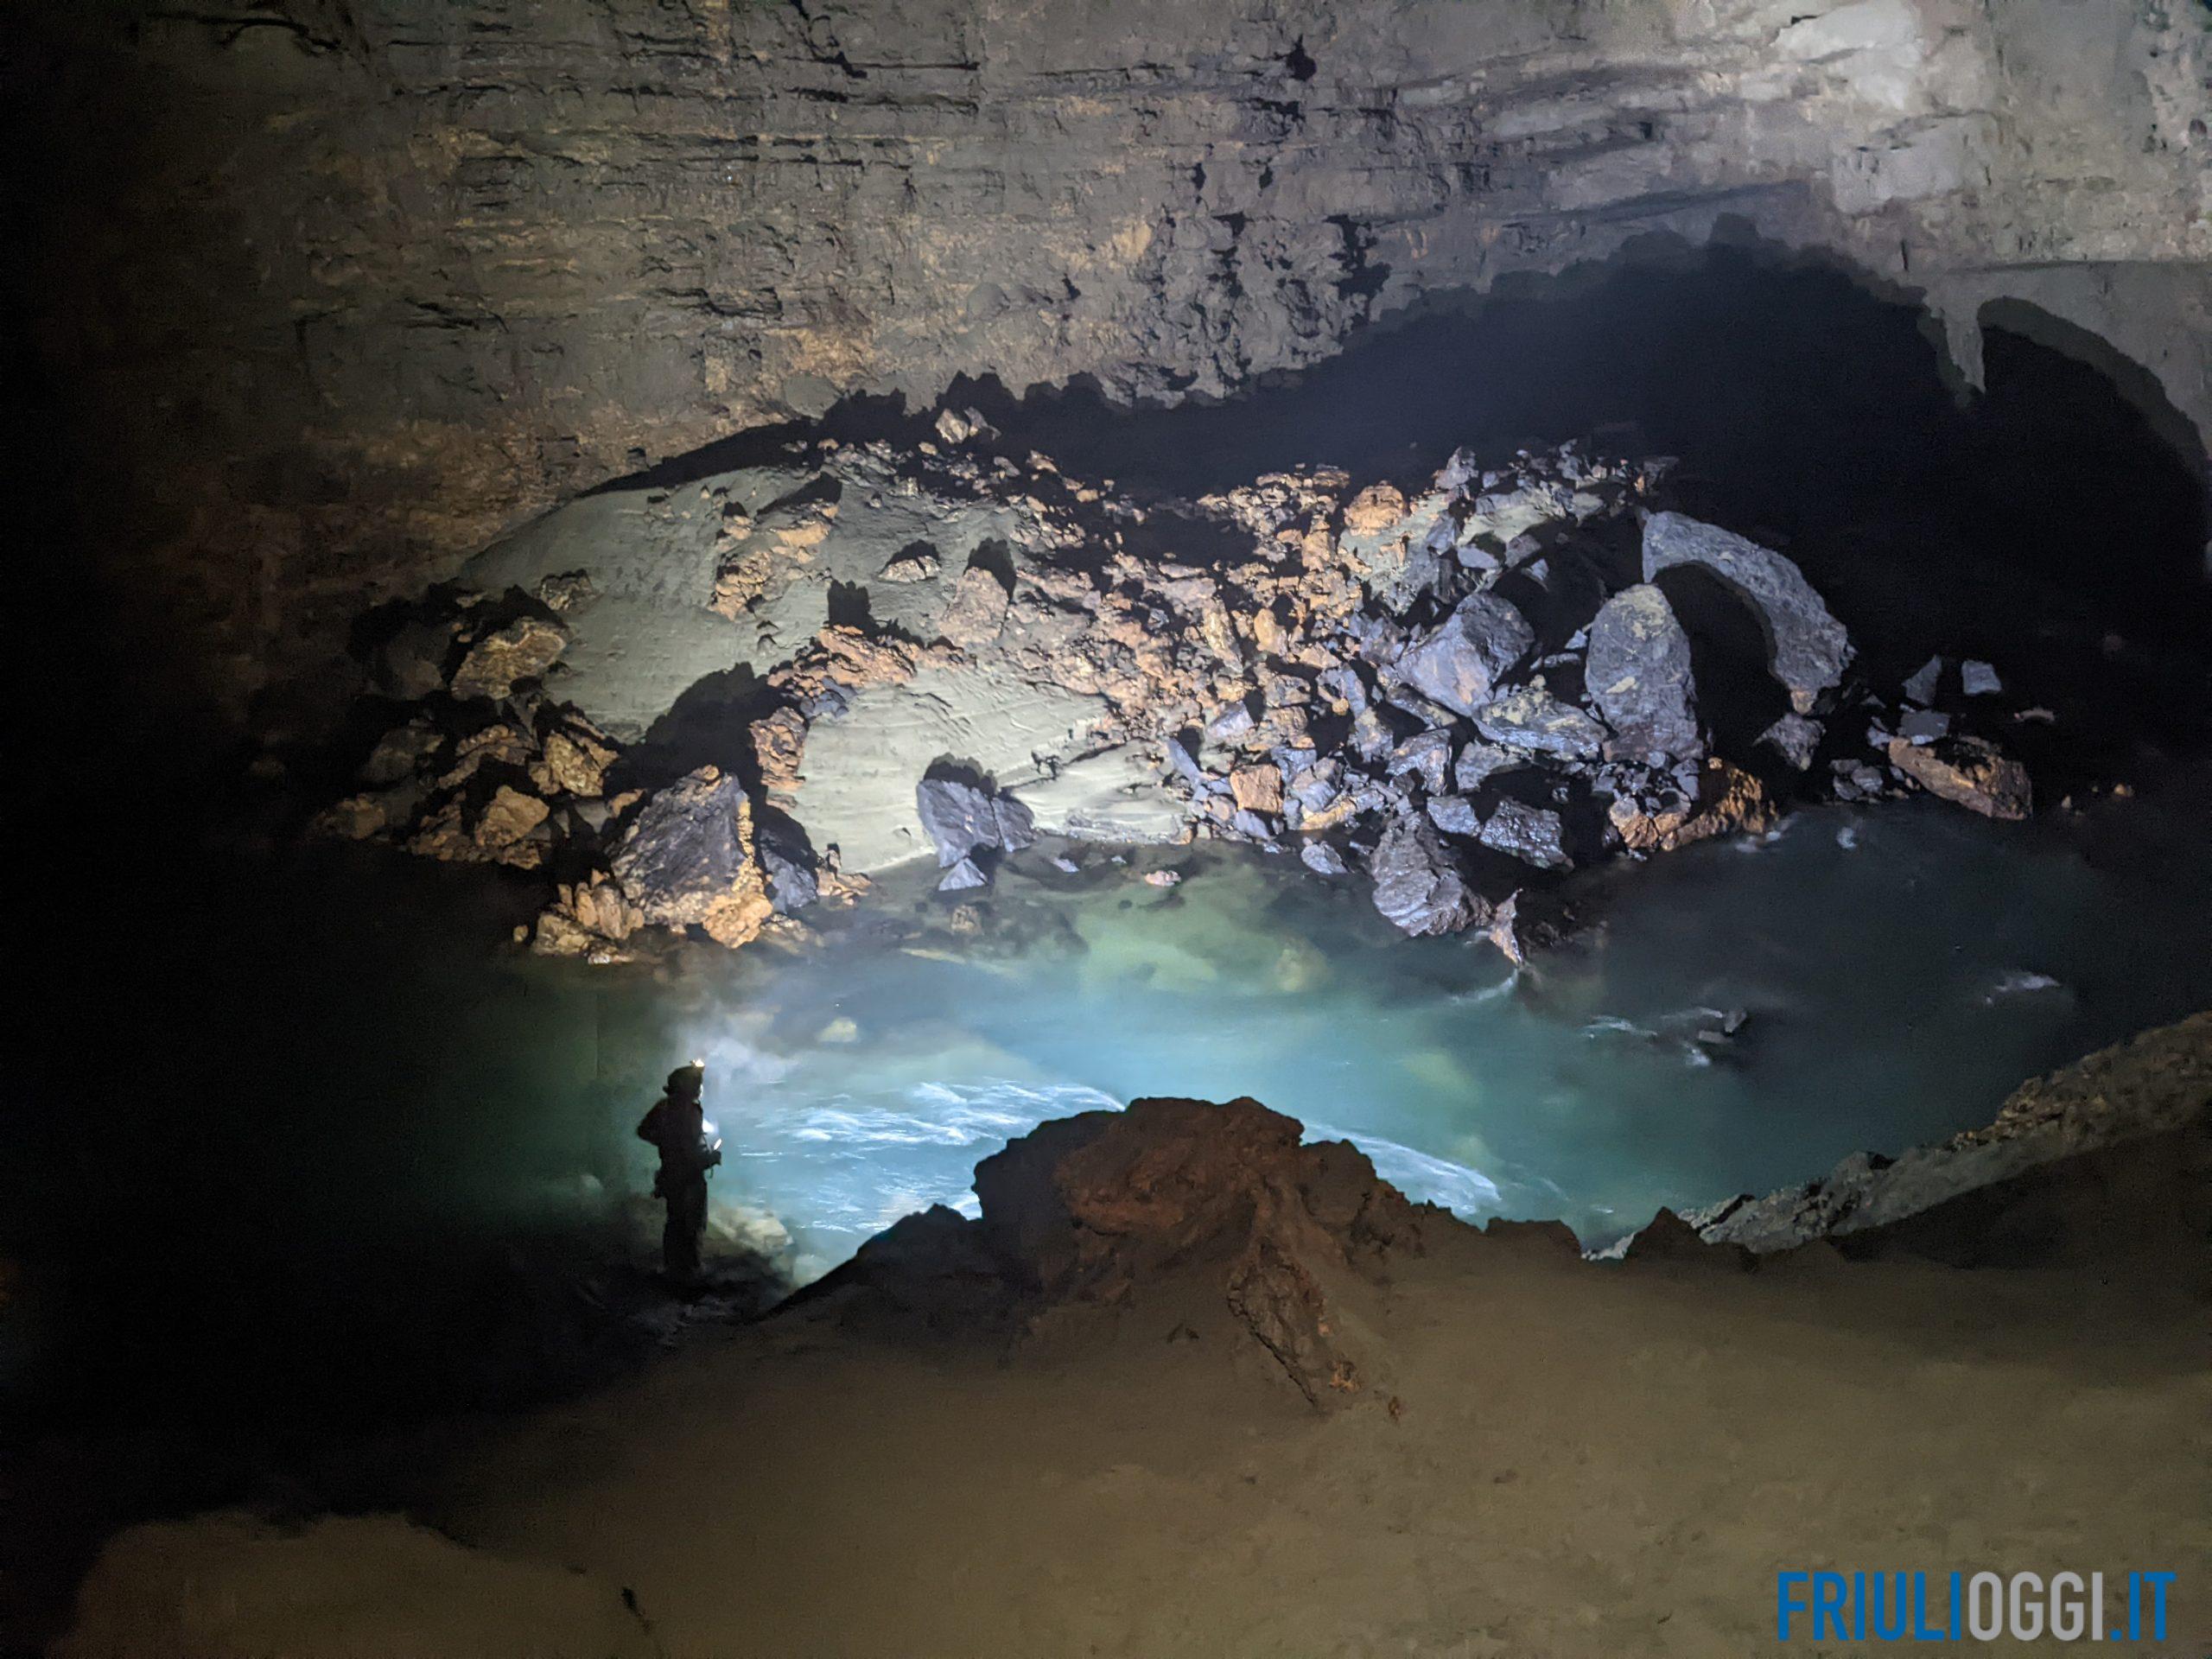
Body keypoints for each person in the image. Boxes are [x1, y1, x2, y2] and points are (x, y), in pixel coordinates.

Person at [636, 1061, 721, 1283]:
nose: (700, 1088)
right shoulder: (690, 1111)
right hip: (689, 1178)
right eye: (697, 1083)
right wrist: (711, 1158)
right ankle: (689, 1274)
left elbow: (643, 1131)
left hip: (670, 1173)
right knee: (691, 1224)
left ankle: (672, 1268)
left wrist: (665, 1144)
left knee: (674, 1222)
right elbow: (691, 1151)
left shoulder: (663, 1107)